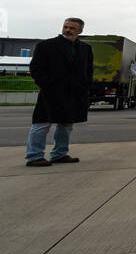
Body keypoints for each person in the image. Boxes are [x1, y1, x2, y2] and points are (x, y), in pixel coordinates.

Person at [25, 17, 93, 167]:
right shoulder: (46, 46)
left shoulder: (85, 48)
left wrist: (85, 86)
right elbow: (35, 68)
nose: (68, 30)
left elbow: (89, 70)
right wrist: (45, 84)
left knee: (66, 124)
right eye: (66, 27)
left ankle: (59, 154)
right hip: (51, 91)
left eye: (72, 28)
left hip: (73, 92)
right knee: (42, 123)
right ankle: (34, 156)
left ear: (80, 31)